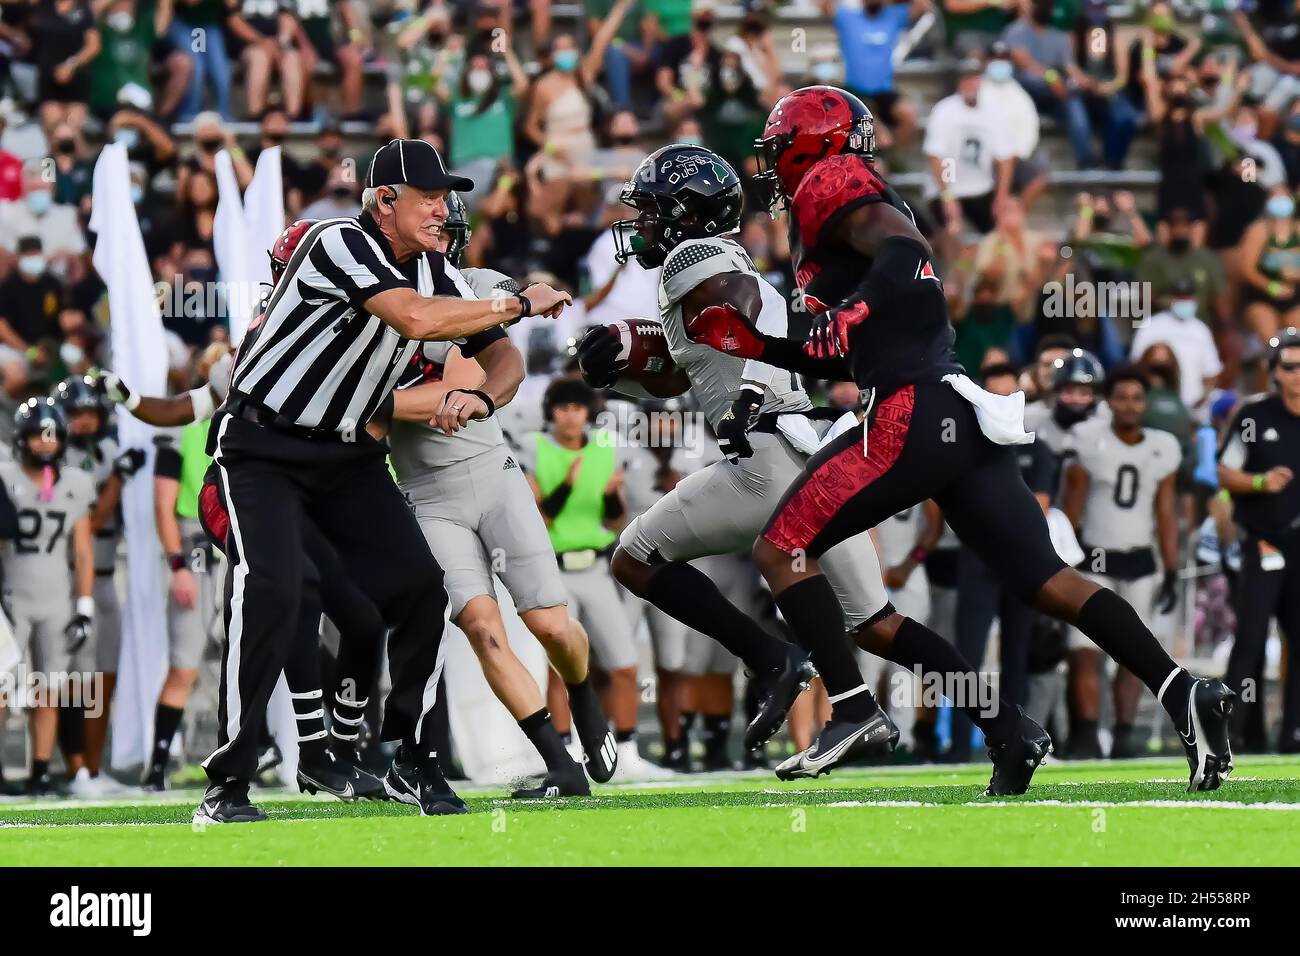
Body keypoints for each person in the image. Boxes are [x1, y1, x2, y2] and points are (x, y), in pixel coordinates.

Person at [693, 85, 1235, 793]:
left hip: (907, 410)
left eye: (779, 147)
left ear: (810, 144)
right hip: (950, 410)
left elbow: (905, 252)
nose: (771, 165)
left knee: (781, 547)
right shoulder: (827, 216)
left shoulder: (830, 181)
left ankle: (852, 706)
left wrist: (847, 314)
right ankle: (1164, 695)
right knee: (1048, 582)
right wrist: (764, 344)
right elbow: (839, 350)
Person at [192, 138, 572, 824]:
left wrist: (487, 396)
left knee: (423, 591)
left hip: (346, 456)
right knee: (274, 588)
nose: (441, 208)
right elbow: (416, 319)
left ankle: (404, 752)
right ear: (384, 200)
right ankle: (230, 778)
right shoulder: (338, 241)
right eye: (426, 197)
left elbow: (501, 357)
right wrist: (515, 303)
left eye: (444, 196)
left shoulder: (434, 266)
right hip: (264, 447)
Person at [583, 145, 968, 780]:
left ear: (684, 215)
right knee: (875, 623)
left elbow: (739, 317)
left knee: (634, 558)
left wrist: (743, 383)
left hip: (762, 459)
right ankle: (1005, 723)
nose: (640, 222)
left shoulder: (692, 263)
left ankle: (774, 661)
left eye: (651, 209)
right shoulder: (720, 264)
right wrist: (624, 357)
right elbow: (692, 370)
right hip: (807, 452)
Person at [384, 195, 616, 796]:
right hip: (426, 496)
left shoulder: (476, 287)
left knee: (551, 625)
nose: (439, 244)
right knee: (483, 628)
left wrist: (482, 398)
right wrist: (432, 398)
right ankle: (560, 765)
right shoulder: (378, 304)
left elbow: (507, 353)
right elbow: (366, 409)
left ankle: (584, 698)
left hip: (492, 473)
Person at [518, 377, 669, 779]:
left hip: (597, 567)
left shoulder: (605, 449)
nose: (571, 416)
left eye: (578, 408)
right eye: (563, 408)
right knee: (559, 660)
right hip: (555, 567)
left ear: (589, 412)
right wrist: (568, 483)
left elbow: (615, 518)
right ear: (552, 412)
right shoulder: (537, 450)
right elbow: (539, 517)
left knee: (624, 662)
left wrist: (609, 493)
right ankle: (564, 749)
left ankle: (627, 749)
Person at [1061, 367, 1182, 759]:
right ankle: (1086, 736)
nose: (1130, 405)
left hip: (1140, 562)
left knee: (1133, 656)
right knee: (1084, 653)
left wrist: (1171, 567)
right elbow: (1071, 508)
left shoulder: (1161, 447)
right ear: (1108, 402)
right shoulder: (1088, 441)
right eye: (1122, 396)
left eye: (1137, 397)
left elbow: (1166, 512)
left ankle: (1124, 735)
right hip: (1093, 561)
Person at [947, 361, 1053, 762]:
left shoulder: (1036, 449)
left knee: (1017, 656)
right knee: (966, 658)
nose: (1004, 405)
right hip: (977, 559)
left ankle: (1019, 742)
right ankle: (959, 748)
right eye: (996, 397)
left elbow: (1038, 507)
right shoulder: (964, 447)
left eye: (1011, 397)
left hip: (1016, 559)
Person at [54, 375, 145, 793]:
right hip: (74, 580)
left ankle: (93, 768)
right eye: (76, 413)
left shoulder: (106, 448)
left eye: (90, 411)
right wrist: (118, 481)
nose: (85, 421)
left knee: (104, 678)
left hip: (108, 578)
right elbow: (87, 524)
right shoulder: (61, 460)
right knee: (77, 679)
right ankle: (74, 768)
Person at [0, 399, 95, 795]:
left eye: (51, 436)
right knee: (2, 688)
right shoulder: (5, 477)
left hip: (56, 596)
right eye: (37, 436)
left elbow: (83, 550)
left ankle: (40, 771)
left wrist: (84, 605)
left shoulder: (73, 482)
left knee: (49, 688)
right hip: (12, 596)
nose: (44, 444)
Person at [1217, 328, 1300, 753]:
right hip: (1263, 541)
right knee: (1250, 640)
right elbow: (1225, 472)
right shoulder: (1255, 417)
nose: (1298, 375)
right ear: (1274, 373)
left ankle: (1294, 733)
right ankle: (1240, 732)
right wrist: (1260, 481)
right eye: (1290, 367)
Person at [1128, 277, 1224, 417]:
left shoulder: (1200, 329)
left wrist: (1202, 400)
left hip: (1193, 407)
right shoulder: (1150, 326)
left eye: (1187, 297)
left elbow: (1211, 373)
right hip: (1156, 405)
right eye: (1179, 297)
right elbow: (1137, 365)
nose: (1184, 302)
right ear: (1170, 299)